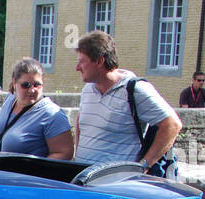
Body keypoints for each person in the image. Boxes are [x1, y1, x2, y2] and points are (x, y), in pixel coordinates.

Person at [73, 30, 183, 172]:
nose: (77, 68)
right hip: (84, 178)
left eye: (82, 61)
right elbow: (81, 123)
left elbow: (173, 125)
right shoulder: (88, 89)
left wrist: (144, 166)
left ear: (100, 61)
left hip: (115, 182)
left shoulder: (135, 89)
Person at [0, 57, 73, 159]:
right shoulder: (10, 100)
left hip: (23, 174)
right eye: (26, 85)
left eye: (37, 85)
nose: (32, 90)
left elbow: (64, 153)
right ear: (14, 82)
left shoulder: (52, 114)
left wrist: (34, 170)